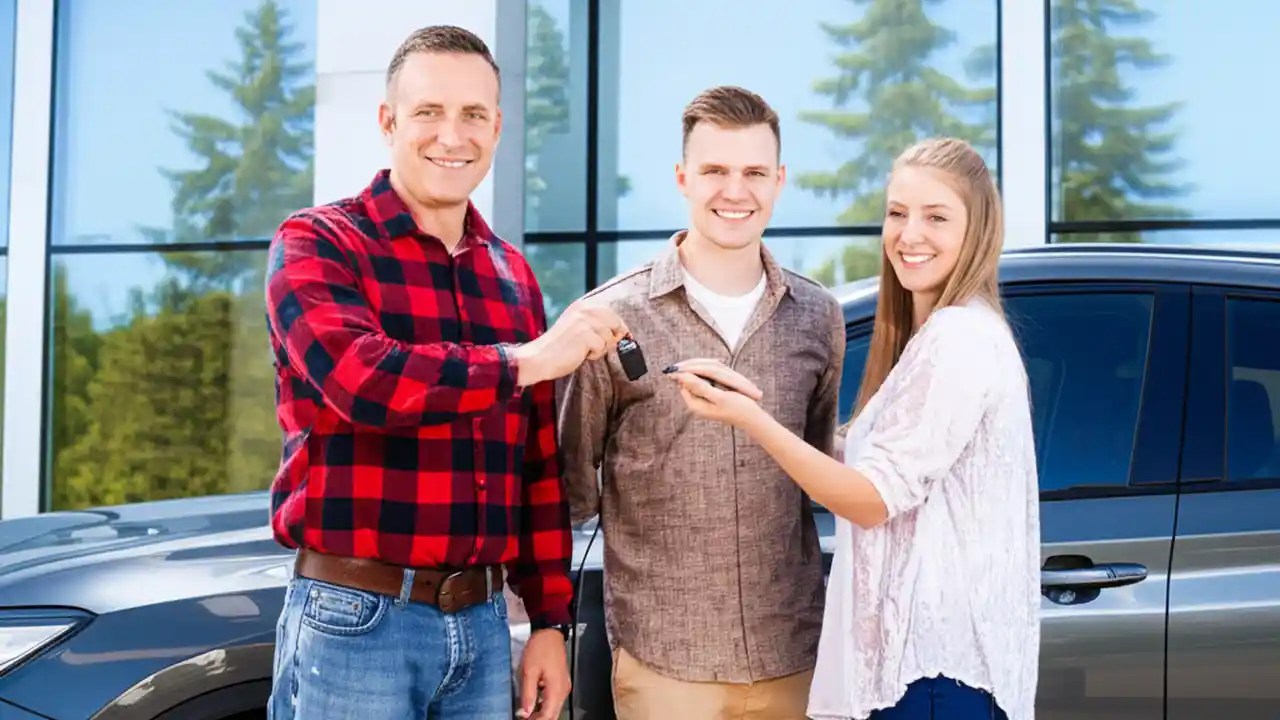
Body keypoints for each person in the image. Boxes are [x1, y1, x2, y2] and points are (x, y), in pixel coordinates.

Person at [263, 25, 629, 720]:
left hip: (485, 629)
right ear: (388, 121)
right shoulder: (317, 243)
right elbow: (359, 380)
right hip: (353, 621)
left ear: (497, 127)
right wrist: (523, 361)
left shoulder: (512, 276)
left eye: (473, 115)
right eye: (428, 112)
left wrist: (550, 623)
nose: (450, 136)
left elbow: (535, 467)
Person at [669, 137, 1039, 720]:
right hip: (925, 676)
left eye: (936, 217)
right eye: (897, 213)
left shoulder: (958, 341)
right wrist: (772, 408)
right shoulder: (937, 340)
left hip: (929, 677)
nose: (909, 234)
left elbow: (872, 498)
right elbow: (888, 463)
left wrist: (751, 421)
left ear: (978, 231)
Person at [558, 85, 846, 720]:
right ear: (683, 177)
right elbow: (569, 492)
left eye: (753, 172)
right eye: (715, 170)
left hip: (795, 655)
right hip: (665, 665)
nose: (734, 191)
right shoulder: (609, 317)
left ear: (779, 180)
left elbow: (818, 467)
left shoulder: (818, 318)